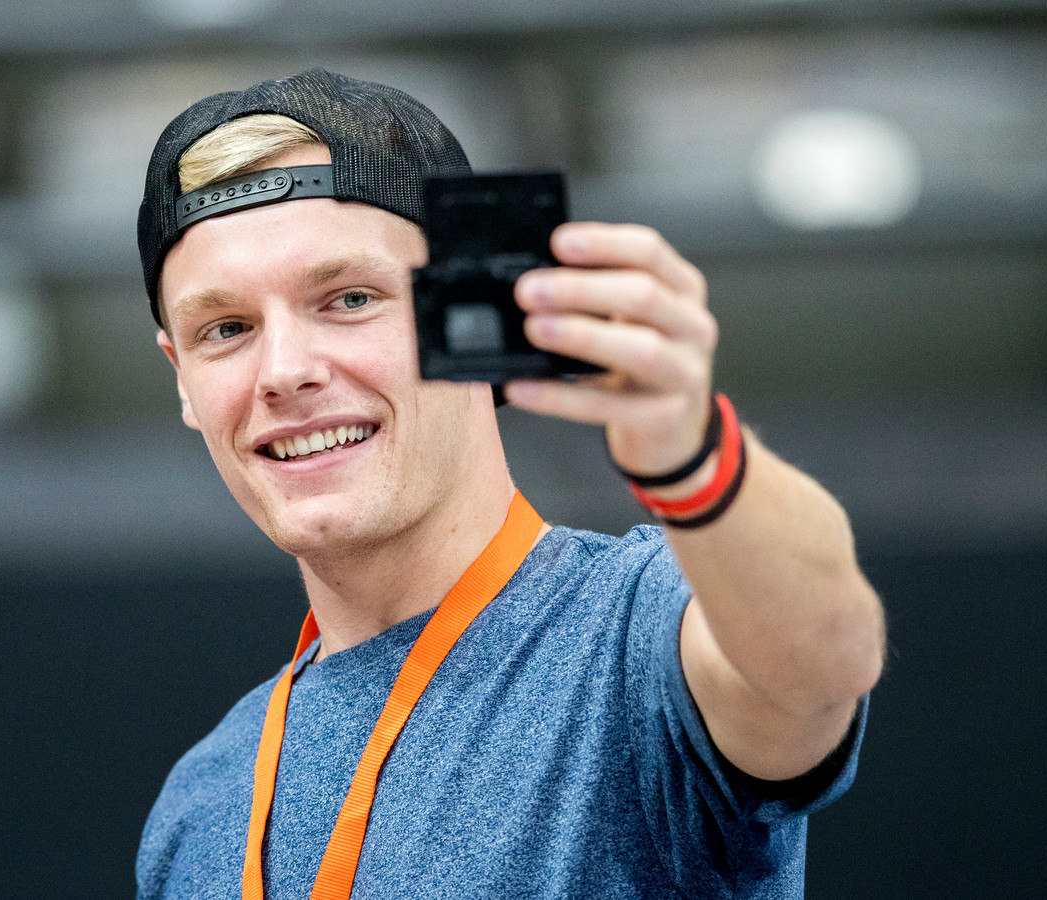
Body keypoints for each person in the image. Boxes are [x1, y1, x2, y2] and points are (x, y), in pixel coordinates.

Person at [133, 68, 885, 900]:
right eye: (226, 329)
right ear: (181, 378)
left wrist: (699, 460)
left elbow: (821, 665)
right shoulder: (200, 806)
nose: (283, 371)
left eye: (348, 298)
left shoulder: (633, 643)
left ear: (471, 314)